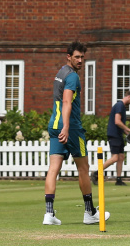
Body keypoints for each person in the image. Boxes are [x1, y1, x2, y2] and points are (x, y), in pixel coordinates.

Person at [42, 42, 109, 226]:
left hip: (54, 125)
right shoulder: (72, 77)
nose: (80, 60)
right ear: (69, 57)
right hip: (70, 128)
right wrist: (66, 127)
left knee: (53, 169)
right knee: (83, 169)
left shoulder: (60, 72)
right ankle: (89, 212)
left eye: (82, 57)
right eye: (77, 57)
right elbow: (66, 101)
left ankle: (49, 214)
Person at [102, 90, 130, 185]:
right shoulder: (119, 105)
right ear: (129, 97)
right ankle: (96, 173)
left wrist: (127, 132)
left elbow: (120, 125)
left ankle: (118, 179)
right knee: (115, 158)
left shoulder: (122, 107)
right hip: (114, 135)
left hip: (118, 134)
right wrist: (129, 129)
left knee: (121, 157)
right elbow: (117, 121)